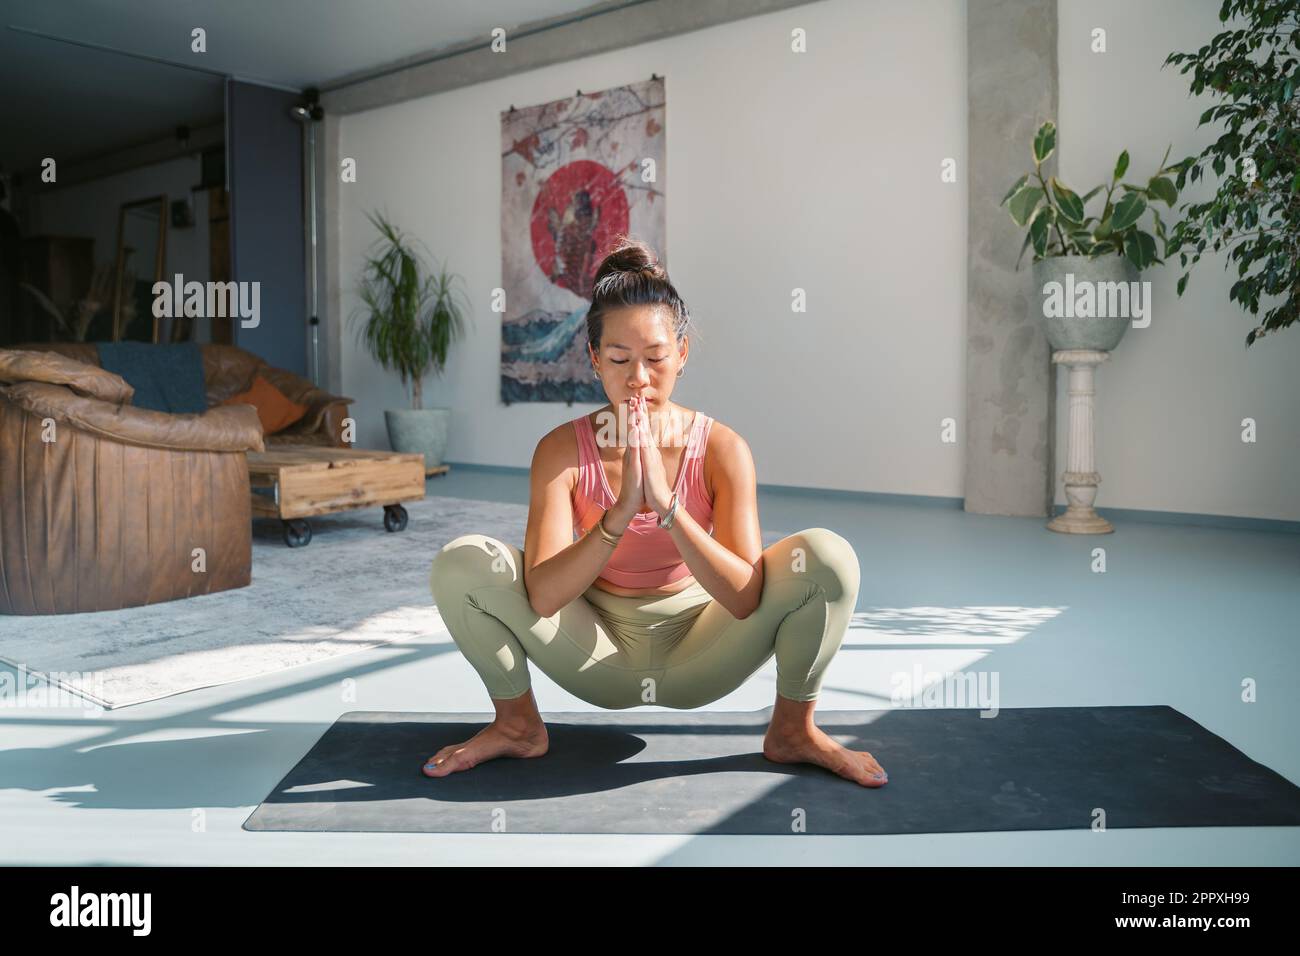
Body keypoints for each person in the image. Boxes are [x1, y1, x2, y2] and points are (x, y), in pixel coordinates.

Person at [426, 236, 886, 787]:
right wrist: (618, 515)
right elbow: (544, 597)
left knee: (828, 557)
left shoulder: (722, 449)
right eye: (619, 359)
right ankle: (518, 726)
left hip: (703, 650)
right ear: (594, 359)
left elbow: (744, 597)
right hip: (593, 654)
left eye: (656, 359)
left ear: (683, 355)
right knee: (463, 563)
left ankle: (792, 731)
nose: (638, 379)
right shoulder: (561, 450)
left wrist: (668, 508)